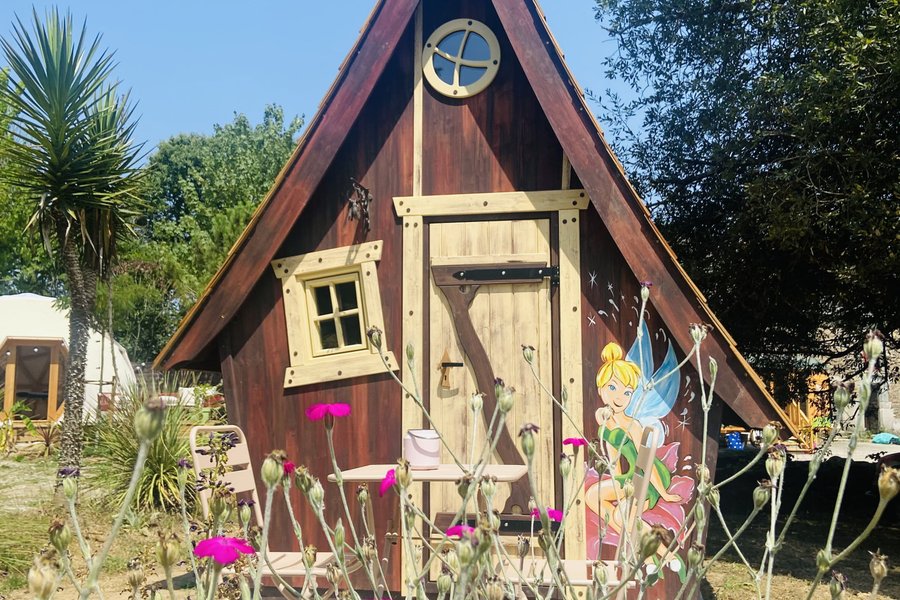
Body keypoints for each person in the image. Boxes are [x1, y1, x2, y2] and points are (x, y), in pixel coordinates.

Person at [585, 342, 681, 547]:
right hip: (630, 476)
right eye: (612, 388)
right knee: (592, 496)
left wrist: (664, 493)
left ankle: (665, 554)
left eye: (627, 392)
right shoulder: (604, 419)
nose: (620, 398)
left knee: (622, 516)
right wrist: (615, 479)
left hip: (648, 475)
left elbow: (646, 461)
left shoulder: (633, 425)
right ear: (601, 389)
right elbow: (613, 456)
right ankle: (635, 545)